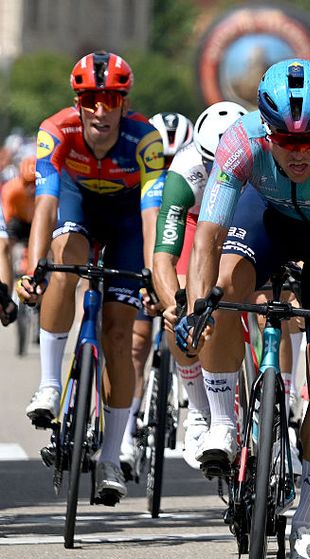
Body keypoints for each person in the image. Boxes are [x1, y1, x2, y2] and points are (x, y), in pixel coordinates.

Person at [178, 59, 310, 559]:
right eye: (286, 142)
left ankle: (308, 522)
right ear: (265, 131)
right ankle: (223, 421)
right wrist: (199, 308)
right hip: (263, 220)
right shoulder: (240, 142)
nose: (299, 152)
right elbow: (208, 236)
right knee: (225, 288)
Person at [16, 51, 165, 503]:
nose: (102, 109)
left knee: (120, 334)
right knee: (63, 261)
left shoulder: (146, 138)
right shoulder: (55, 129)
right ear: (77, 100)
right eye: (91, 98)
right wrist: (33, 269)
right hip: (76, 207)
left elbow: (152, 215)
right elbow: (44, 203)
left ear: (125, 101)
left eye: (112, 99)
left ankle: (111, 455)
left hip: (125, 221)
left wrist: (155, 277)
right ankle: (50, 384)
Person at [151, 101, 248, 469]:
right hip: (197, 225)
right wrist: (171, 304)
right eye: (212, 164)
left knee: (278, 301)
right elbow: (164, 254)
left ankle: (281, 395)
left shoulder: (259, 159)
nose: (218, 172)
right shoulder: (186, 169)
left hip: (242, 221)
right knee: (183, 309)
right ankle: (198, 407)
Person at [119, 111, 195, 477]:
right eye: (162, 160)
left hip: (180, 256)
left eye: (175, 158)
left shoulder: (196, 177)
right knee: (134, 344)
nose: (168, 168)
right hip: (140, 252)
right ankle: (127, 427)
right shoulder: (136, 174)